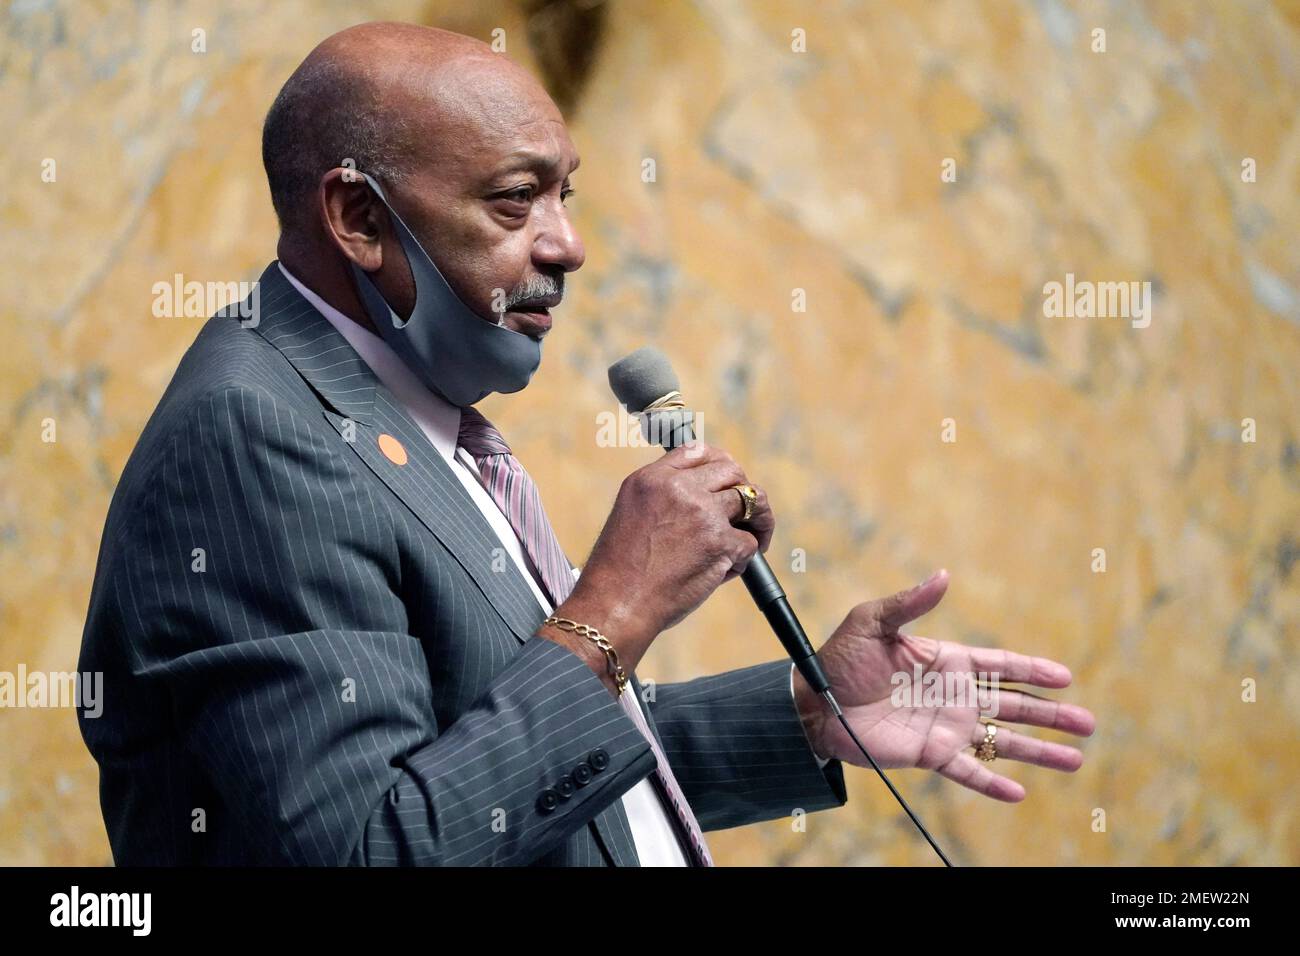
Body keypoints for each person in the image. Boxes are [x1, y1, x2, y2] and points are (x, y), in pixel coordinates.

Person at [77, 21, 1095, 866]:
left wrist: (804, 713)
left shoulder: (404, 409)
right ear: (355, 216)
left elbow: (496, 784)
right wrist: (615, 604)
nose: (567, 244)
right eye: (515, 201)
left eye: (567, 194)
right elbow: (373, 852)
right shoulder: (254, 435)